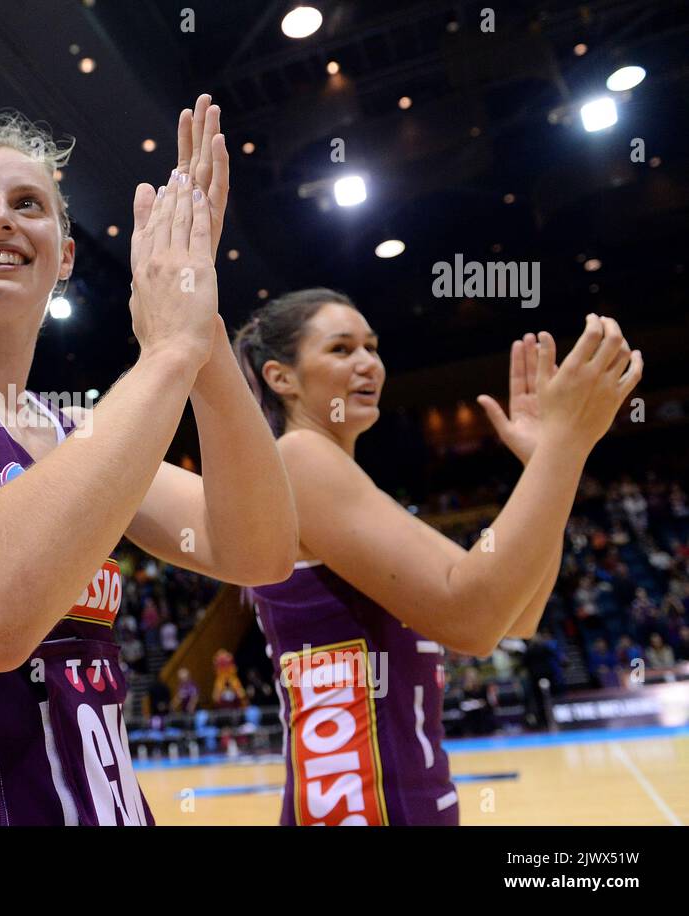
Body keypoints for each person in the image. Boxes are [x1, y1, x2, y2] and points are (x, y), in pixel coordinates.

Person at [0, 96, 298, 825]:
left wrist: (205, 333)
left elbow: (258, 549)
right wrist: (168, 354)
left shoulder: (80, 438)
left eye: (28, 203)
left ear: (65, 254)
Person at [235, 288, 642, 824]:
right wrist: (567, 444)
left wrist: (551, 460)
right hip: (360, 808)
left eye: (373, 347)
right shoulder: (299, 457)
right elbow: (472, 619)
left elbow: (513, 615)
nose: (368, 364)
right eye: (341, 349)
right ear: (280, 377)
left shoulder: (342, 478)